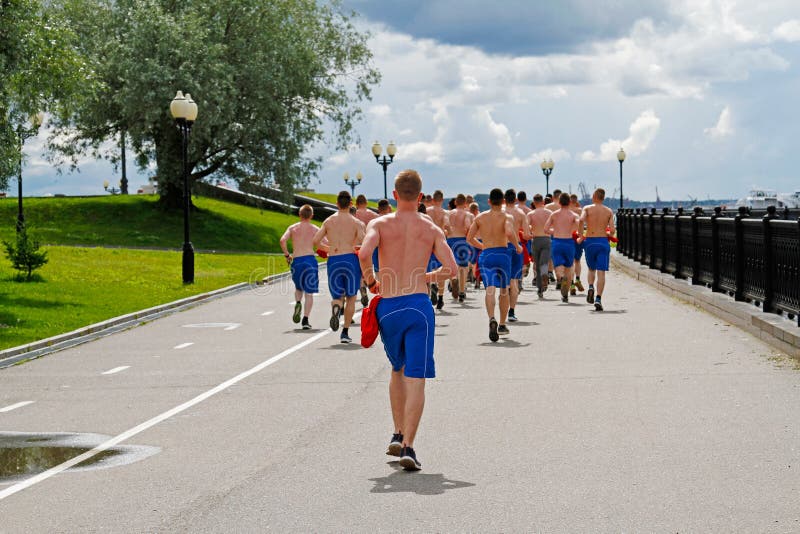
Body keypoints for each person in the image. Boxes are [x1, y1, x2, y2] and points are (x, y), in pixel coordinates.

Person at [358, 169, 457, 471]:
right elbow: (451, 268)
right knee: (417, 376)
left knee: (396, 370)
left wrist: (372, 281)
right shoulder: (430, 228)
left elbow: (364, 253)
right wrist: (428, 276)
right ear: (421, 197)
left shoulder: (379, 223)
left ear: (395, 195)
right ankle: (409, 448)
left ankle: (397, 432)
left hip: (388, 305)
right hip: (417, 304)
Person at [468, 188, 522, 342]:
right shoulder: (507, 216)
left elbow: (469, 238)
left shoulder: (480, 217)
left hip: (487, 254)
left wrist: (483, 247)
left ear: (489, 201)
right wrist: (517, 246)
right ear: (503, 201)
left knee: (490, 289)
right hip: (503, 254)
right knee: (504, 290)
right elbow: (509, 232)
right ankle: (502, 324)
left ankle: (492, 318)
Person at [313, 191, 365, 343]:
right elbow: (364, 240)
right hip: (350, 259)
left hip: (334, 259)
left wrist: (329, 249)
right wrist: (356, 247)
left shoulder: (329, 221)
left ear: (337, 203)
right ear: (350, 204)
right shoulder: (356, 222)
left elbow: (316, 240)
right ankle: (345, 332)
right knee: (351, 297)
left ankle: (336, 307)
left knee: (337, 296)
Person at [279, 204, 319, 329]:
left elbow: (282, 240)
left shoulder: (293, 228)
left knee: (299, 288)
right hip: (310, 260)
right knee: (309, 292)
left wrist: (287, 254)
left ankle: (297, 303)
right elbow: (325, 242)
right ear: (312, 215)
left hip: (297, 260)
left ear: (299, 215)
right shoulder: (315, 229)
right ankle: (305, 320)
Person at [580, 188, 615, 311]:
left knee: (591, 269)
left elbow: (581, 220)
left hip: (589, 241)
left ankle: (590, 287)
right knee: (601, 272)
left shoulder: (587, 208)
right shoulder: (609, 211)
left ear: (594, 196)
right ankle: (598, 299)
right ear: (603, 198)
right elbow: (612, 230)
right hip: (602, 242)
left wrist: (580, 235)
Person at [543, 193, 580, 303]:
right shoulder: (573, 215)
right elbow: (579, 225)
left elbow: (545, 229)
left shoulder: (554, 214)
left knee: (558, 266)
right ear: (569, 202)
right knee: (569, 267)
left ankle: (561, 277)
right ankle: (565, 294)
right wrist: (572, 230)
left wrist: (554, 231)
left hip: (557, 242)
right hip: (569, 242)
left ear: (559, 202)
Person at [504, 189, 529, 322]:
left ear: (504, 199)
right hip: (515, 247)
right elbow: (526, 234)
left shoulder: (500, 213)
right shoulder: (520, 213)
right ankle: (511, 311)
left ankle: (502, 308)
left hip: (501, 246)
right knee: (514, 280)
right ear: (515, 200)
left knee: (504, 280)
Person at [446, 194, 475, 302]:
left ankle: (453, 279)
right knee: (463, 267)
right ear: (465, 203)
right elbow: (468, 225)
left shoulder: (448, 213)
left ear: (455, 203)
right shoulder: (468, 214)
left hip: (450, 240)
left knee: (451, 264)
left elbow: (446, 225)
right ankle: (462, 291)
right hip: (462, 240)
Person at [427, 190, 450, 310]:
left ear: (432, 200)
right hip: (439, 243)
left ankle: (431, 285)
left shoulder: (427, 212)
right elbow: (446, 227)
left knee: (427, 268)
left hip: (427, 243)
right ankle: (441, 297)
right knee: (441, 269)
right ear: (441, 200)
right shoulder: (445, 213)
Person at [355, 195, 379, 306]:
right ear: (366, 202)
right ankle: (367, 283)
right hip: (370, 245)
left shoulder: (353, 214)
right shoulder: (373, 215)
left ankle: (362, 287)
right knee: (368, 269)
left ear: (357, 203)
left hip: (355, 246)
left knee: (359, 272)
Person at [527, 194, 553, 298]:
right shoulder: (549, 213)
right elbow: (554, 225)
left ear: (533, 202)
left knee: (537, 264)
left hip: (536, 239)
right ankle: (545, 274)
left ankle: (539, 289)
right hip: (546, 239)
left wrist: (529, 233)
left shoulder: (531, 213)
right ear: (543, 201)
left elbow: (527, 226)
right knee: (544, 261)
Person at [569, 193, 585, 296]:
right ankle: (578, 279)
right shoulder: (580, 211)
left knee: (569, 263)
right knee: (577, 261)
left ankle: (571, 284)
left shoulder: (567, 211)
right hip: (578, 237)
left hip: (568, 237)